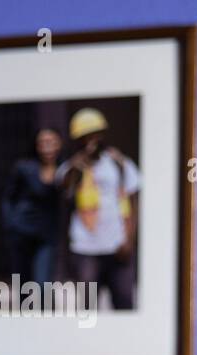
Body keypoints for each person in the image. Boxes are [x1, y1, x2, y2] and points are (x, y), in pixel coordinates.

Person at [56, 107, 140, 309]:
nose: (90, 140)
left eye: (94, 134)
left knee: (124, 304)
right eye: (84, 136)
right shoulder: (71, 167)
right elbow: (64, 188)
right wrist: (78, 165)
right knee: (88, 309)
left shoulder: (119, 163)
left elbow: (133, 199)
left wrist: (130, 238)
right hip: (86, 248)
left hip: (117, 245)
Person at [1, 127, 63, 289]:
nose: (47, 146)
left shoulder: (65, 169)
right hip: (22, 231)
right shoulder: (24, 168)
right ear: (36, 145)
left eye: (51, 142)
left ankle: (43, 313)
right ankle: (25, 314)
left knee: (43, 286)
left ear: (59, 144)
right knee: (23, 285)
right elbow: (8, 197)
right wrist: (10, 223)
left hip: (46, 236)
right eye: (43, 142)